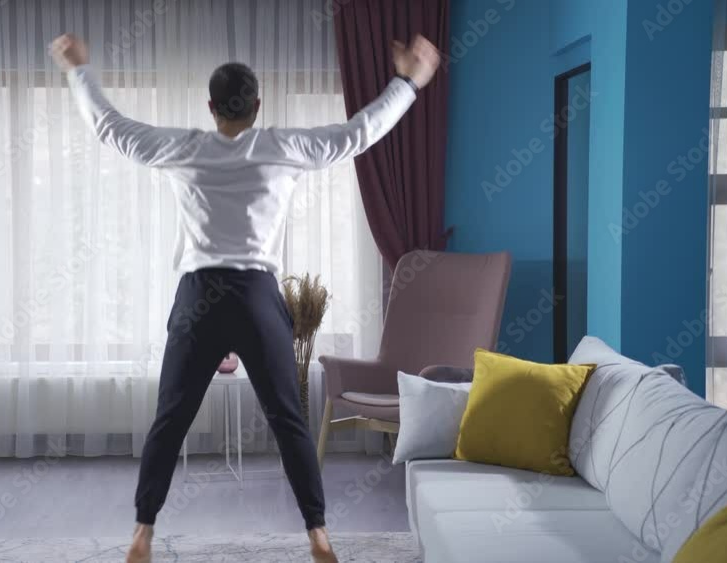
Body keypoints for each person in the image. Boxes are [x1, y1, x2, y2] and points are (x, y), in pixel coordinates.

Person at [49, 32, 441, 563]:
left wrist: (78, 70)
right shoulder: (283, 146)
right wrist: (409, 82)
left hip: (199, 297)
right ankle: (319, 537)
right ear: (258, 106)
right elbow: (360, 133)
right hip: (257, 297)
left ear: (211, 107)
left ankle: (142, 534)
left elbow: (109, 127)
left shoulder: (183, 147)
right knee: (287, 419)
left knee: (171, 417)